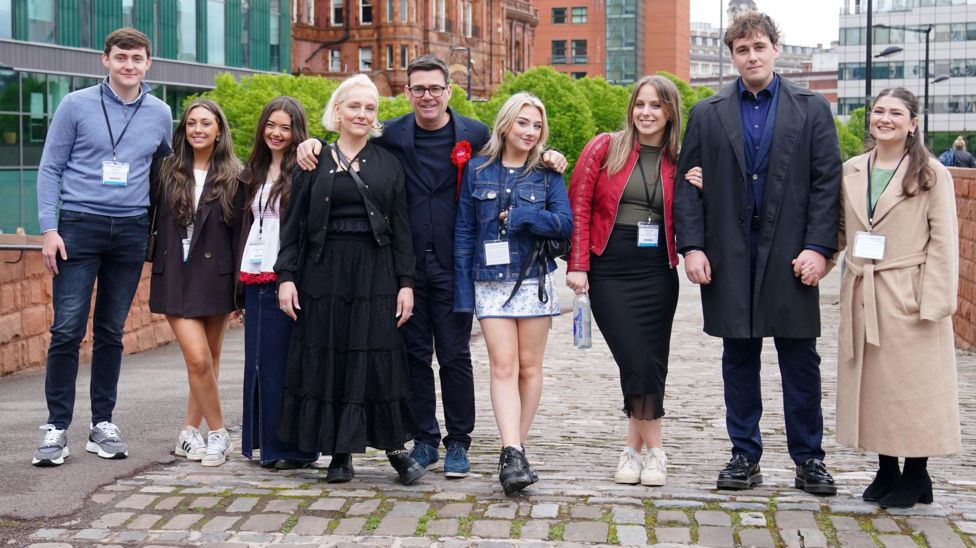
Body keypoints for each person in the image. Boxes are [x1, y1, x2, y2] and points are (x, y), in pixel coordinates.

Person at [295, 55, 567, 478]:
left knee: (455, 355)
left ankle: (459, 440)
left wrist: (548, 153)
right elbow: (348, 142)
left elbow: (516, 146)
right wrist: (310, 143)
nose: (427, 96)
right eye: (418, 88)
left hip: (455, 261)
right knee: (414, 355)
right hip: (401, 264)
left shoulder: (474, 134)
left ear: (448, 92)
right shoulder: (391, 134)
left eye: (435, 88)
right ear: (407, 93)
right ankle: (425, 438)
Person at [673, 11, 841, 495]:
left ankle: (809, 459)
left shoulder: (811, 109)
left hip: (791, 255)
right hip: (729, 254)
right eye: (742, 50)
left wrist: (819, 248)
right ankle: (744, 455)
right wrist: (693, 247)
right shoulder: (708, 112)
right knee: (738, 358)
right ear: (732, 56)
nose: (752, 56)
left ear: (776, 49)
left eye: (759, 47)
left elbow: (827, 184)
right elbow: (688, 186)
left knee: (800, 361)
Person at [275, 74, 425, 485]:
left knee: (377, 354)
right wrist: (286, 277)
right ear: (337, 111)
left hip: (375, 269)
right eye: (355, 106)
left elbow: (403, 229)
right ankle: (339, 454)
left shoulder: (388, 163)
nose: (362, 114)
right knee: (331, 355)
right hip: (322, 270)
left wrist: (406, 282)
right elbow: (294, 224)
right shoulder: (312, 159)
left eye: (370, 108)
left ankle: (396, 449)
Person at [32, 28, 173, 466]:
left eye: (137, 59)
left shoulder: (160, 112)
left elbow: (167, 172)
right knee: (67, 330)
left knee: (112, 332)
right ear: (105, 60)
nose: (128, 66)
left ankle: (102, 424)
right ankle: (56, 428)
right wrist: (48, 230)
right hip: (78, 227)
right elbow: (50, 167)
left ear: (148, 63)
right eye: (121, 58)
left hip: (130, 231)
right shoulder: (75, 105)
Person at [834, 87, 960, 509]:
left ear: (913, 122)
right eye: (878, 111)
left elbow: (944, 241)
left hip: (908, 289)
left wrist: (934, 302)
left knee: (913, 388)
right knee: (876, 386)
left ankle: (917, 472)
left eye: (895, 112)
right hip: (863, 290)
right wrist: (817, 259)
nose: (884, 118)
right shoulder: (852, 169)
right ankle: (886, 467)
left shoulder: (931, 174)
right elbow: (839, 228)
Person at [454, 92, 573, 495]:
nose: (530, 131)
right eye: (523, 122)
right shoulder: (476, 171)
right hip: (489, 281)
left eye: (537, 125)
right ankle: (511, 449)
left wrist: (524, 217)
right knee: (502, 365)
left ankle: (515, 450)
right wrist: (463, 292)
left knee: (528, 367)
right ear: (506, 124)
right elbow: (465, 233)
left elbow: (564, 224)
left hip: (534, 280)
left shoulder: (547, 173)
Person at [566, 76, 682, 486]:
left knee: (651, 365)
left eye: (655, 105)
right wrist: (577, 264)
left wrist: (698, 186)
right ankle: (659, 453)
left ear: (670, 111)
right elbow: (578, 205)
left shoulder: (679, 159)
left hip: (658, 274)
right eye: (640, 104)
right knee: (634, 359)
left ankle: (632, 453)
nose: (646, 112)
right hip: (610, 269)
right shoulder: (605, 147)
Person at [149, 98, 243, 467]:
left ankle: (189, 431)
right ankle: (219, 434)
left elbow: (241, 233)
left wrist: (241, 287)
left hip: (216, 278)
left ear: (219, 129)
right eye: (191, 123)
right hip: (174, 274)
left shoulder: (236, 174)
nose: (198, 129)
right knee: (199, 359)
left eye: (206, 123)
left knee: (209, 360)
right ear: (183, 129)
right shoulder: (166, 170)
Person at [237, 97, 319, 470]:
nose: (277, 133)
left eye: (285, 127)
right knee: (257, 363)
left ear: (296, 131)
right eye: (271, 125)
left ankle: (295, 448)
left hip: (289, 278)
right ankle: (265, 445)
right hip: (254, 279)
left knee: (287, 364)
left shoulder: (305, 169)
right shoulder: (251, 171)